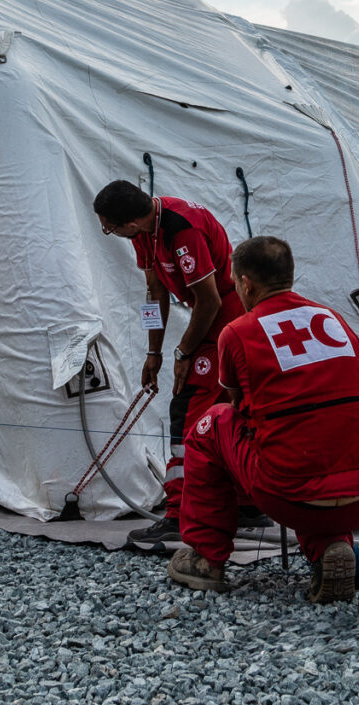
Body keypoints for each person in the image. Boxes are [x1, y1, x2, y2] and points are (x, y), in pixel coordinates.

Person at [168, 235, 359, 603]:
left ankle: (207, 559)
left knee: (211, 424)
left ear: (245, 283)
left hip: (287, 495)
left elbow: (236, 408)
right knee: (317, 437)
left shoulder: (237, 332)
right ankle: (330, 547)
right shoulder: (337, 321)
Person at [93, 180, 245, 550]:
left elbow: (208, 300)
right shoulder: (143, 233)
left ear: (129, 221)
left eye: (110, 227)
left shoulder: (182, 227)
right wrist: (153, 352)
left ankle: (180, 513)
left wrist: (182, 353)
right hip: (206, 321)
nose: (110, 233)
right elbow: (155, 292)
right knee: (228, 410)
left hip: (224, 320)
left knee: (189, 408)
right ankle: (245, 501)